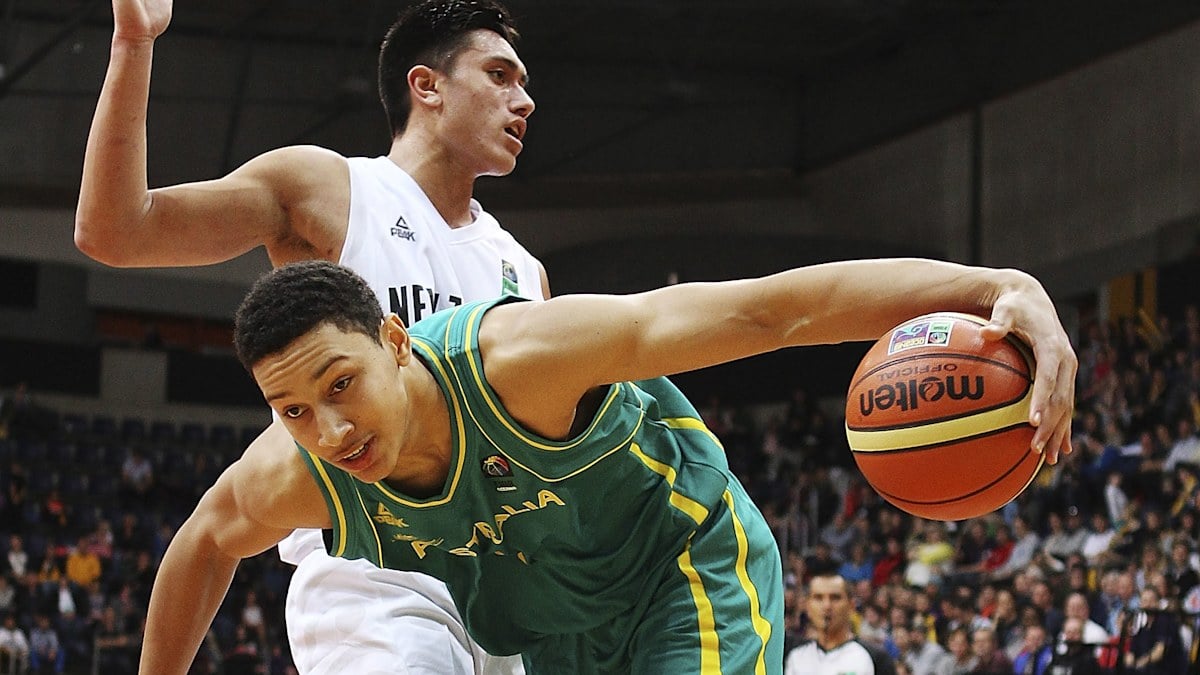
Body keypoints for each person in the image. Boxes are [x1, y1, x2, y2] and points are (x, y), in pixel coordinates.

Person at [140, 257, 1074, 673]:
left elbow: (767, 313)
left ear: (395, 342)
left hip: (685, 569)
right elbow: (205, 540)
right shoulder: (300, 471)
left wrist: (997, 287)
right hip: (557, 637)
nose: (332, 428)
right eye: (295, 409)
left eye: (342, 384)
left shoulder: (522, 362)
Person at [75, 0, 547, 672]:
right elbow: (115, 231)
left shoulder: (524, 271)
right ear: (428, 86)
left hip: (506, 599)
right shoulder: (334, 190)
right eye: (500, 74)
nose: (523, 100)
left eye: (523, 83)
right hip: (375, 577)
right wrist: (133, 42)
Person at [785, 573, 897, 674]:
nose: (827, 606)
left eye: (835, 598)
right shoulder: (792, 654)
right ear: (807, 606)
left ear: (851, 606)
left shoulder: (875, 659)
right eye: (818, 598)